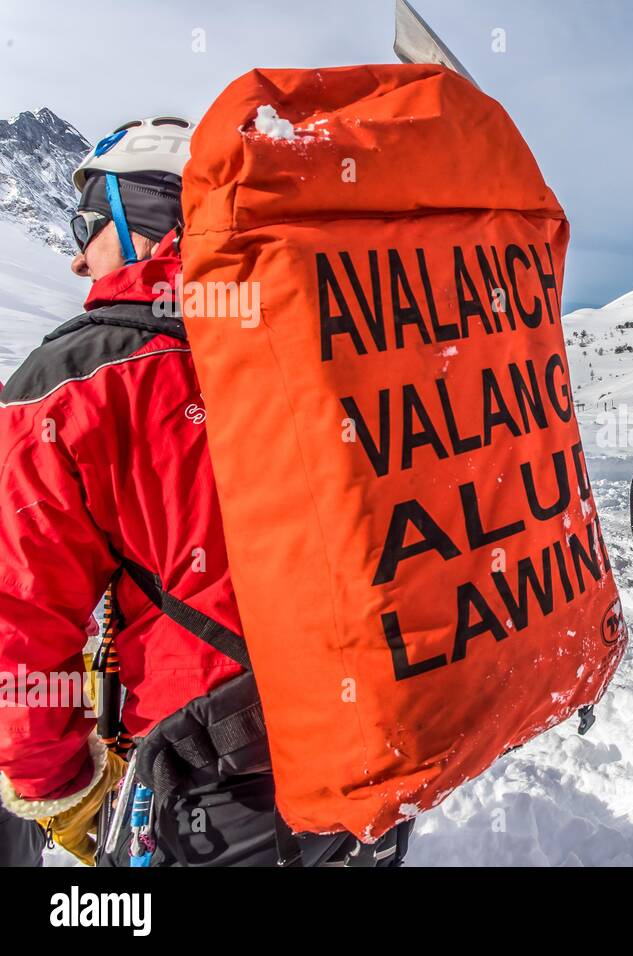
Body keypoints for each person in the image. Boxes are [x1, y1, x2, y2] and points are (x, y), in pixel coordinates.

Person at [0, 117, 409, 866]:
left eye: (86, 225)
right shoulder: (333, 342)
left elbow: (19, 616)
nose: (75, 257)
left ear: (141, 219)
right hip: (374, 751)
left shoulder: (74, 380)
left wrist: (52, 782)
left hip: (205, 782)